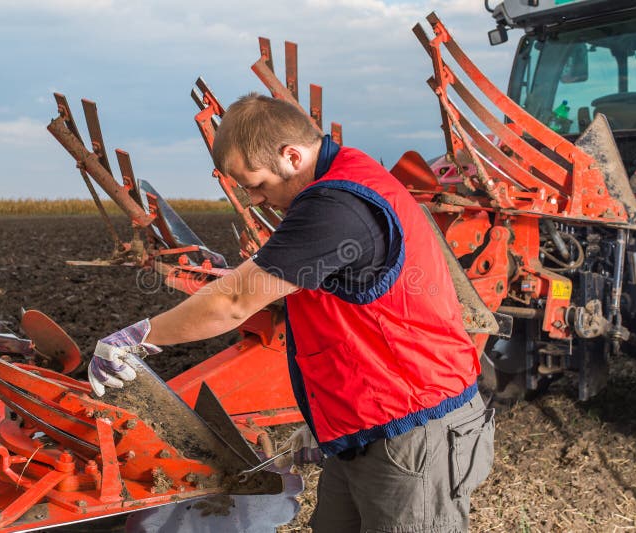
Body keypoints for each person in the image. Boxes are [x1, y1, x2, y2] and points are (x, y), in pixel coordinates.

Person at [88, 93, 494, 532]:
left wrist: (139, 335)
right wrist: (327, 423)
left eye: (259, 184)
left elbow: (233, 303)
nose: (258, 200)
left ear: (292, 156)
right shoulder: (338, 182)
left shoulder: (338, 207)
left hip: (415, 432)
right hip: (368, 427)